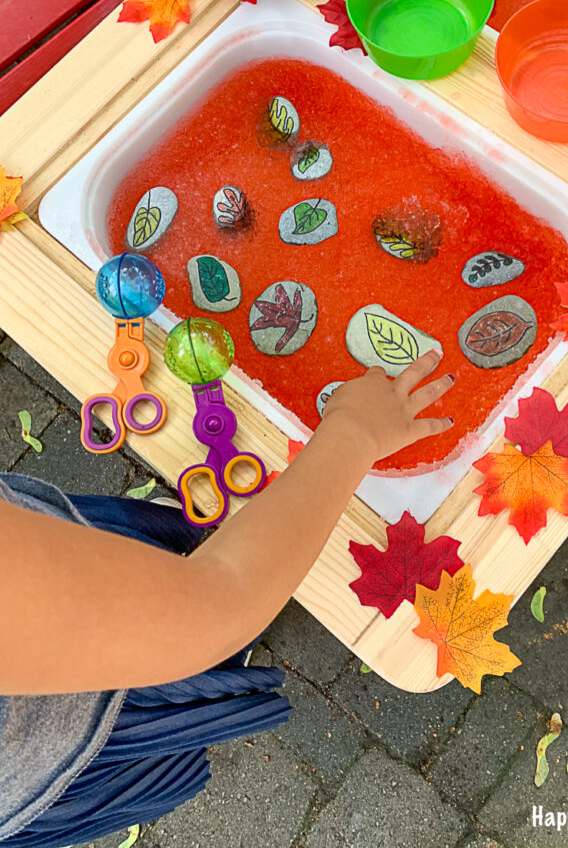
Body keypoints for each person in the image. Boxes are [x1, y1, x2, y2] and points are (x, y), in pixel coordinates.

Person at [0, 351, 453, 848]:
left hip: (34, 729)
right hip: (81, 734)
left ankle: (161, 569)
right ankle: (216, 652)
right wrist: (356, 431)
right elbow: (223, 600)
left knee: (153, 570)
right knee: (208, 633)